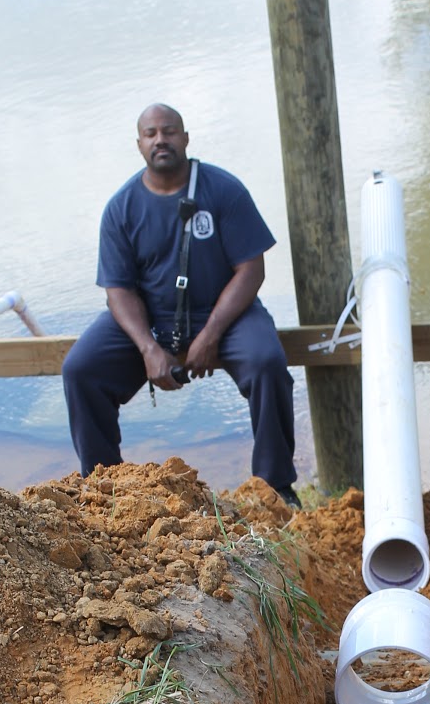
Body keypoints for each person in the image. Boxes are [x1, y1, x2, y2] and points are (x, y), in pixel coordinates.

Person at [62, 103, 300, 504]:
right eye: (151, 133)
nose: (161, 140)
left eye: (169, 131)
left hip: (223, 312)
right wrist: (148, 347)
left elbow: (250, 270)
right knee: (80, 369)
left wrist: (210, 335)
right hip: (151, 318)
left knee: (267, 364)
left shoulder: (224, 190)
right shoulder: (121, 208)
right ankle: (103, 488)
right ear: (138, 144)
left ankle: (276, 487)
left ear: (186, 138)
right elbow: (118, 290)